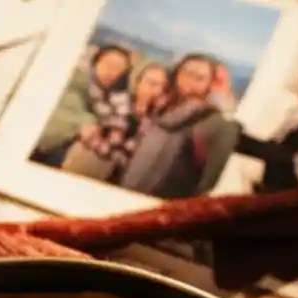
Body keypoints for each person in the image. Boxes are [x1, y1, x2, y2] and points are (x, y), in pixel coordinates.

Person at [118, 53, 239, 198]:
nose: (190, 81)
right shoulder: (160, 106)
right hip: (124, 188)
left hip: (164, 202)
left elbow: (207, 181)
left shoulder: (218, 124)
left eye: (199, 78)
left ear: (211, 83)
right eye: (186, 73)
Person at [62, 60, 168, 181]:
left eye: (162, 87)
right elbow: (103, 140)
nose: (157, 91)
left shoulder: (154, 120)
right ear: (137, 82)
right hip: (86, 162)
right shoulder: (113, 102)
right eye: (152, 84)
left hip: (111, 175)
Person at [33, 45, 132, 170]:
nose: (112, 72)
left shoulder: (117, 102)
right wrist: (84, 123)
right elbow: (67, 103)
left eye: (119, 69)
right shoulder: (76, 81)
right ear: (96, 62)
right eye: (109, 65)